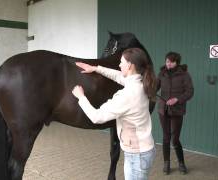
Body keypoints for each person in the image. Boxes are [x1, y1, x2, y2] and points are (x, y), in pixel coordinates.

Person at [72, 48, 156, 180]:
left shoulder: (126, 95)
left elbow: (97, 117)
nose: (119, 65)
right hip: (144, 150)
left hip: (137, 156)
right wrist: (96, 68)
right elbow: (118, 76)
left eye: (121, 62)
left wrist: (81, 97)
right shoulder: (141, 83)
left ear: (129, 65)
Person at [156, 52, 194, 175]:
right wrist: (147, 86)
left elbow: (190, 92)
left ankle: (181, 163)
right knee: (166, 138)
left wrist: (177, 99)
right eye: (167, 61)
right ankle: (166, 163)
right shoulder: (162, 74)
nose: (168, 64)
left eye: (171, 61)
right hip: (163, 110)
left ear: (177, 62)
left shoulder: (184, 75)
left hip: (177, 111)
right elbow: (155, 87)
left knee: (175, 139)